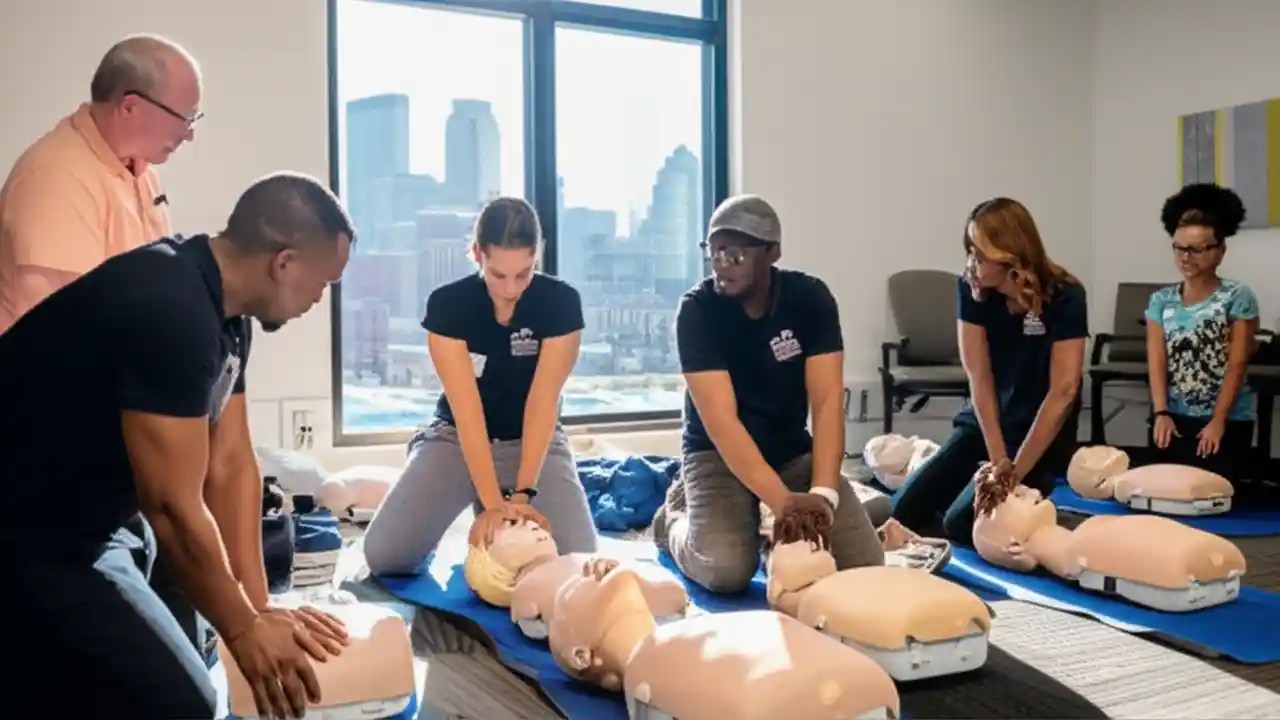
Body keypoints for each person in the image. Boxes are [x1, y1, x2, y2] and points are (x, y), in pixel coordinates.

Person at [0, 172, 353, 720]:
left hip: (106, 516)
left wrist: (260, 610)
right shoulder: (171, 310)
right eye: (324, 283)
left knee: (198, 638)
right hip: (33, 536)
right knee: (183, 701)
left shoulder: (229, 315)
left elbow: (231, 464)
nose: (319, 300)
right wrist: (243, 630)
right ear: (283, 263)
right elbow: (171, 504)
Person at [651, 194, 885, 595]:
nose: (721, 263)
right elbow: (722, 423)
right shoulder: (697, 311)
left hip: (790, 448)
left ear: (772, 252)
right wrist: (781, 503)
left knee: (864, 563)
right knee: (725, 570)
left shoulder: (810, 298)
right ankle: (672, 518)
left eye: (736, 254)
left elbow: (827, 402)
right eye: (714, 251)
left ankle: (764, 526)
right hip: (716, 453)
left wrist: (823, 495)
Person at [363, 197, 598, 576]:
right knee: (384, 555)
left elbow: (542, 403)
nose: (511, 289)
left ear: (536, 257)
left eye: (524, 274)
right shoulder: (448, 306)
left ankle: (502, 491)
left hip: (532, 440)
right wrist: (493, 507)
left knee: (579, 559)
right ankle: (469, 488)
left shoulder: (561, 304)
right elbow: (467, 412)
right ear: (477, 254)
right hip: (457, 436)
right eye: (498, 274)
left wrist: (522, 497)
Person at [889, 197, 1088, 543]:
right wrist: (998, 461)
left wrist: (1013, 473)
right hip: (985, 424)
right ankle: (990, 499)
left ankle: (1038, 509)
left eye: (979, 253)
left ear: (1008, 255)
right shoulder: (971, 287)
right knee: (903, 510)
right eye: (969, 249)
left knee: (961, 525)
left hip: (1036, 434)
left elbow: (1064, 391)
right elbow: (979, 377)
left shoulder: (1067, 295)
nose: (971, 261)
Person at [0, 33, 202, 334]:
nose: (189, 135)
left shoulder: (140, 169)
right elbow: (59, 331)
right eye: (185, 119)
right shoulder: (57, 179)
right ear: (129, 107)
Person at [1145, 183, 1259, 482]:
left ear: (1220, 251)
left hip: (1226, 421)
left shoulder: (1237, 296)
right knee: (1166, 495)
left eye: (1196, 249)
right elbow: (1157, 362)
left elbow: (1237, 363)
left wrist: (1219, 420)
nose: (1186, 257)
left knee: (1215, 496)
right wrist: (1161, 413)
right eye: (1180, 248)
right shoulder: (1161, 300)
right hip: (1175, 420)